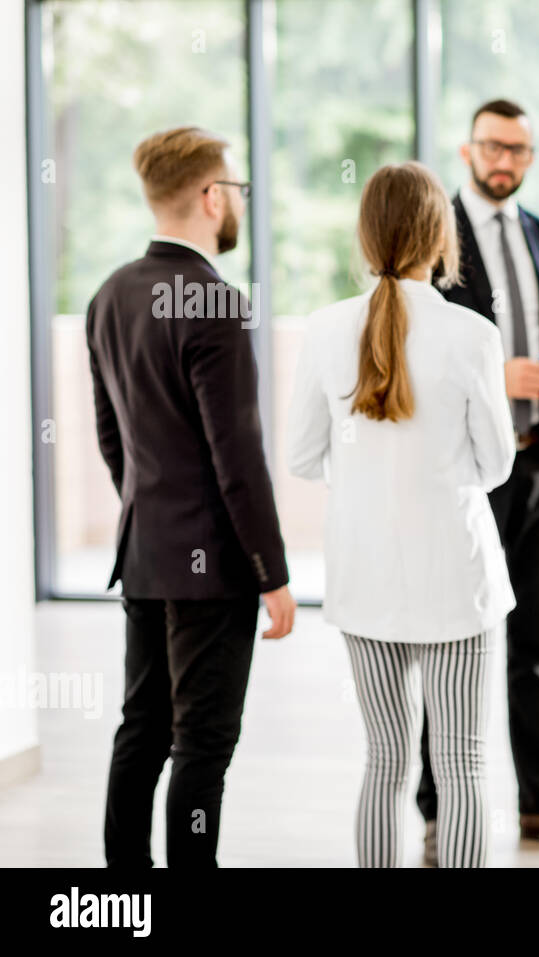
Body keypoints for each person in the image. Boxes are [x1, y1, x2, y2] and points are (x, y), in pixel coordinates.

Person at [287, 161, 515, 868]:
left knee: (382, 761)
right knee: (462, 764)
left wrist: (366, 478)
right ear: (440, 236)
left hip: (364, 576)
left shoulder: (324, 330)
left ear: (365, 235)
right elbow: (498, 462)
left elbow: (300, 457)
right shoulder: (471, 333)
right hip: (457, 577)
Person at [87, 126, 296, 867]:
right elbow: (237, 455)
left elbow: (112, 439)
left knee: (140, 728)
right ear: (211, 197)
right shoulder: (217, 301)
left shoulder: (110, 294)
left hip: (144, 553)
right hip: (211, 572)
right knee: (201, 746)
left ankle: (125, 892)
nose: (236, 202)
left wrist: (155, 517)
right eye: (235, 189)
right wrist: (272, 572)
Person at [417, 98, 539, 860]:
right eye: (494, 146)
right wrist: (494, 374)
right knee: (455, 638)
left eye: (520, 150)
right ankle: (439, 810)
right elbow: (416, 341)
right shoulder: (435, 238)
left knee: (535, 643)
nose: (506, 160)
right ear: (468, 151)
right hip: (468, 468)